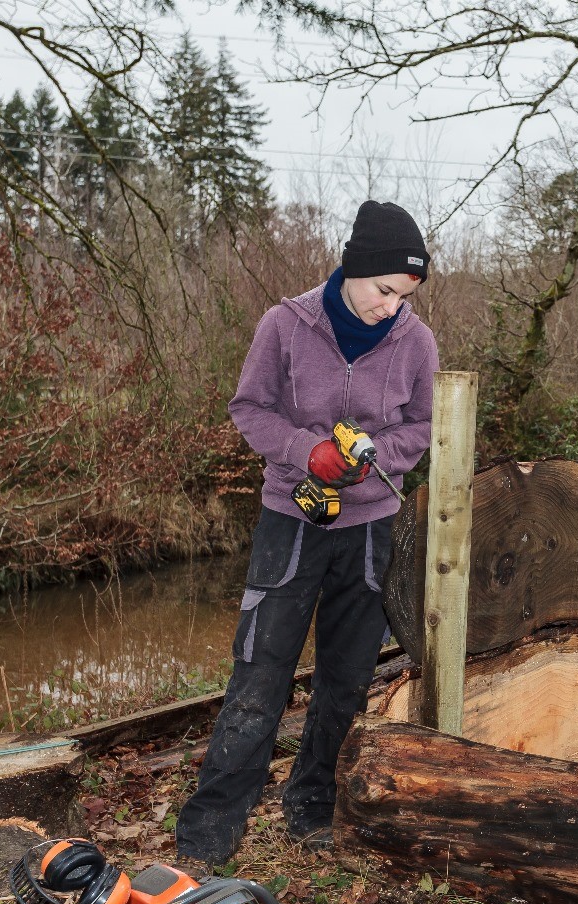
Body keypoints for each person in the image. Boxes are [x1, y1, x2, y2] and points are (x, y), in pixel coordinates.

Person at [176, 201, 437, 865]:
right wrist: (304, 450)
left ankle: (311, 808)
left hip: (373, 529)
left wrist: (376, 453)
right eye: (383, 292)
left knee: (346, 682)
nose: (391, 308)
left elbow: (423, 425)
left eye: (403, 297)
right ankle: (210, 832)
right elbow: (249, 408)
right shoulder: (285, 326)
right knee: (260, 677)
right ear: (353, 270)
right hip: (290, 522)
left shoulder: (416, 342)